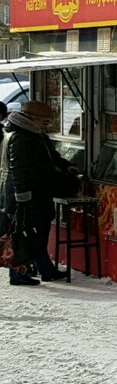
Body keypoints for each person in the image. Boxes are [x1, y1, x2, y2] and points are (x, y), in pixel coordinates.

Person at [0, 100, 66, 285]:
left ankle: (45, 269)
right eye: (45, 122)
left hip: (37, 194)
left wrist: (67, 166)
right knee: (23, 235)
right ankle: (18, 273)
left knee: (37, 234)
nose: (47, 125)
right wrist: (22, 197)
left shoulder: (34, 134)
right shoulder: (21, 136)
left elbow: (52, 156)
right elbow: (17, 169)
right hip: (26, 196)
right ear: (32, 118)